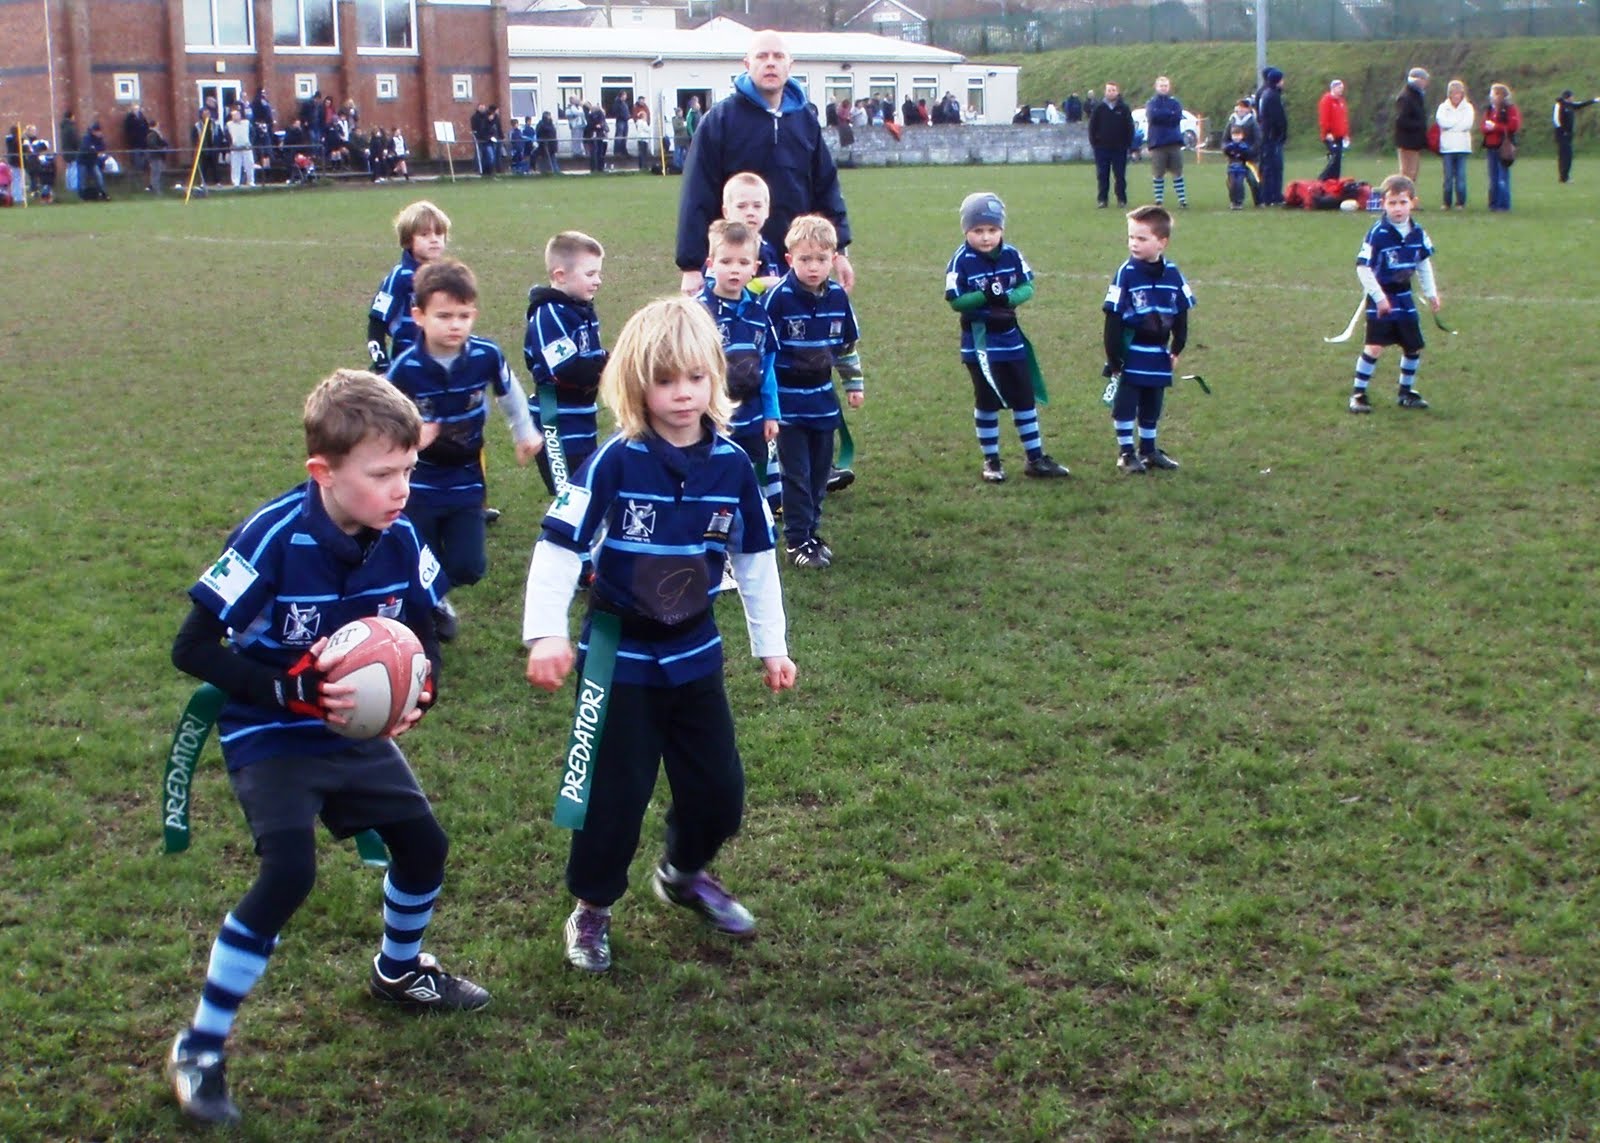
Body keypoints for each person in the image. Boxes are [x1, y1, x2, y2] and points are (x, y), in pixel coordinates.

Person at [164, 369, 489, 1126]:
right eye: (383, 474)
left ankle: (400, 971)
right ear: (325, 472)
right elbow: (192, 647)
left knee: (425, 847)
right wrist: (288, 691)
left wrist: (423, 687)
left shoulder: (404, 535)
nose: (402, 488)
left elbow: (426, 625)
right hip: (271, 727)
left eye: (409, 469)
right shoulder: (272, 535)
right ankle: (201, 1045)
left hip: (352, 729)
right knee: (289, 871)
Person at [523, 296, 797, 975]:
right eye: (666, 380)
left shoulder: (733, 466)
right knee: (612, 794)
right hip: (618, 654)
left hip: (695, 651)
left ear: (715, 381)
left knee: (719, 793)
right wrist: (545, 634)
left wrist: (772, 645)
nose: (683, 394)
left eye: (696, 378)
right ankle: (592, 907)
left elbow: (756, 561)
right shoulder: (615, 461)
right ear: (636, 386)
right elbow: (559, 546)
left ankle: (682, 871)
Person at [385, 259, 541, 640]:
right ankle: (425, 608)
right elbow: (382, 418)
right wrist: (410, 437)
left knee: (470, 566)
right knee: (417, 553)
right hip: (419, 481)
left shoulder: (486, 355)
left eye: (464, 315)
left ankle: (431, 593)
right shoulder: (406, 368)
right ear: (418, 316)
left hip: (468, 477)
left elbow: (510, 394)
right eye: (444, 316)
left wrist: (525, 432)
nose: (455, 325)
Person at [676, 30, 853, 297]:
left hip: (797, 259)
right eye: (762, 56)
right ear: (747, 65)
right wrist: (691, 266)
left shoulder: (805, 120)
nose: (770, 62)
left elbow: (825, 186)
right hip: (736, 262)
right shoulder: (721, 120)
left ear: (789, 66)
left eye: (778, 56)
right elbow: (697, 192)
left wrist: (838, 250)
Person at [945, 192, 1070, 485]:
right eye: (978, 231)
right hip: (980, 346)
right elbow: (955, 300)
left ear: (1001, 229)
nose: (986, 237)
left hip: (1011, 341)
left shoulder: (1012, 254)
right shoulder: (961, 261)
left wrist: (1011, 298)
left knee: (1024, 398)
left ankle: (1035, 458)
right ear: (966, 231)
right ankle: (992, 460)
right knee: (987, 401)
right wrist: (983, 297)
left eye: (992, 230)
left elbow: (1028, 286)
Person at [760, 214, 864, 569]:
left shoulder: (838, 297)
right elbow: (762, 353)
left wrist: (853, 385)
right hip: (788, 403)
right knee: (796, 474)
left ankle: (811, 531)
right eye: (805, 259)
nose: (814, 266)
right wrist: (766, 403)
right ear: (790, 260)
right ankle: (796, 541)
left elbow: (847, 347)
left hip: (823, 401)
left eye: (821, 259)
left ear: (833, 259)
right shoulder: (777, 299)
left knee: (820, 473)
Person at [1102, 205, 1195, 474]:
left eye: (1142, 238)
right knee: (1126, 404)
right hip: (1132, 351)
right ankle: (1126, 452)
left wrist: (1176, 348)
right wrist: (1114, 356)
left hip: (1158, 352)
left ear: (1162, 243)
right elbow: (1113, 317)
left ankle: (1149, 450)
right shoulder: (1126, 273)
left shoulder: (1173, 274)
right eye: (1131, 237)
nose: (1134, 243)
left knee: (1153, 402)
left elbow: (1181, 313)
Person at [696, 220, 780, 502]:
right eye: (726, 261)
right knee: (711, 475)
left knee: (747, 475)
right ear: (711, 264)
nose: (735, 269)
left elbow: (767, 367)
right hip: (710, 417)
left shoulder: (759, 314)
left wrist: (771, 413)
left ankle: (747, 527)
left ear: (755, 268)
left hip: (752, 415)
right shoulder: (697, 312)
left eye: (743, 262)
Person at [1347, 174, 1441, 414]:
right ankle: (1358, 393)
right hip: (1382, 296)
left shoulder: (1418, 233)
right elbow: (1362, 267)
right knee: (1375, 346)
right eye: (1392, 203)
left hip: (1404, 297)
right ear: (1383, 204)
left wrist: (1431, 293)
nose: (1397, 208)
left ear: (1413, 202)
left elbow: (1423, 263)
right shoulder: (1377, 234)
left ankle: (1406, 392)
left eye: (1402, 202)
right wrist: (1379, 297)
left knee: (1413, 346)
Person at [524, 231, 609, 483]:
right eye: (590, 274)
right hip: (556, 418)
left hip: (582, 416)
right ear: (560, 275)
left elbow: (592, 358)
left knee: (586, 486)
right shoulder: (548, 315)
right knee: (568, 496)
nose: (598, 281)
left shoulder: (582, 311)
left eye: (598, 273)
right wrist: (613, 366)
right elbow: (567, 369)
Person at [368, 201, 451, 377]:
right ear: (408, 240)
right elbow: (376, 323)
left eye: (439, 233)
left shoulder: (448, 275)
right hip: (407, 367)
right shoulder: (400, 276)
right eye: (424, 234)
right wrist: (381, 363)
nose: (434, 239)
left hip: (442, 364)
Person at [1144, 77, 1189, 208]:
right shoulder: (1151, 103)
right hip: (1158, 143)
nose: (1163, 88)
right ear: (1156, 87)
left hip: (1174, 142)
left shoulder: (1175, 102)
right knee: (1158, 173)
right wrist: (1168, 114)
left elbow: (1176, 117)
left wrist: (1163, 115)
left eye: (1165, 85)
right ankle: (1159, 200)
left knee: (1177, 172)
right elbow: (1153, 117)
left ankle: (1182, 200)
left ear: (1169, 87)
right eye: (1161, 86)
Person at [1088, 80, 1134, 209]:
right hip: (1102, 148)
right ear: (1105, 91)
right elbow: (1092, 127)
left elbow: (1129, 127)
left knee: (1120, 175)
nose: (1111, 92)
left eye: (1113, 90)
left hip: (1120, 148)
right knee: (1102, 175)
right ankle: (1102, 200)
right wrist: (1095, 143)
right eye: (1109, 90)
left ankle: (1122, 199)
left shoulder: (1123, 108)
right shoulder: (1099, 108)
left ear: (1117, 92)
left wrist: (1128, 144)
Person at [1435, 80, 1475, 210]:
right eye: (1454, 93)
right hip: (1447, 147)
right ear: (1449, 94)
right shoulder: (1443, 107)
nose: (1456, 96)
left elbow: (1467, 124)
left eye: (1459, 93)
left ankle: (1460, 203)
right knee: (1447, 178)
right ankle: (1446, 202)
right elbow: (1442, 122)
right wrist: (1456, 124)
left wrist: (1452, 126)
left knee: (1461, 178)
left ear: (1462, 94)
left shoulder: (1468, 107)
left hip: (1462, 147)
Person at [1483, 83, 1521, 212]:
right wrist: (1487, 128)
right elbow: (1483, 126)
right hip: (1491, 146)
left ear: (1500, 95)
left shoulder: (1510, 109)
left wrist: (1496, 127)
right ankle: (1493, 204)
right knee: (1493, 177)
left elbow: (1514, 126)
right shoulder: (1490, 109)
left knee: (1502, 177)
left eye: (1493, 93)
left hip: (1503, 147)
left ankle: (1504, 204)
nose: (1491, 96)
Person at [1256, 67, 1288, 205]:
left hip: (1269, 136)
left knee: (1270, 167)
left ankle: (1270, 195)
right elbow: (1277, 118)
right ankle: (1271, 196)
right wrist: (1281, 134)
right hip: (1272, 137)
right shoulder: (1272, 96)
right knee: (1273, 167)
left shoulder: (1266, 93)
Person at [1554, 90, 1600, 183]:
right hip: (1562, 135)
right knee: (1565, 156)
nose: (1573, 98)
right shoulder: (1559, 105)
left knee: (1568, 156)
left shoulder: (1571, 105)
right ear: (1568, 97)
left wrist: (1594, 100)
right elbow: (1556, 120)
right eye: (1572, 96)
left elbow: (1581, 104)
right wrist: (1562, 131)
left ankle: (1564, 176)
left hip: (1568, 135)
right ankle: (1564, 177)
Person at [1395, 68, 1430, 182]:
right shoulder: (1406, 97)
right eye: (1424, 80)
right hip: (1407, 142)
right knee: (1407, 173)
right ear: (1417, 80)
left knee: (1413, 173)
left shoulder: (1417, 96)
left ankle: (1409, 196)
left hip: (1414, 142)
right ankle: (1403, 196)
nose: (1426, 83)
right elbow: (1401, 120)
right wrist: (1420, 125)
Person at [1226, 98, 1263, 204]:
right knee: (1233, 180)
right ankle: (1236, 201)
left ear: (1248, 109)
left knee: (1253, 179)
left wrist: (1249, 152)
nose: (1241, 110)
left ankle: (1259, 200)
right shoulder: (1232, 121)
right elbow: (1225, 139)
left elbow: (1258, 140)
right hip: (1235, 159)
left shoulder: (1253, 122)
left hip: (1250, 159)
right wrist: (1228, 149)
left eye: (1244, 107)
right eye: (1239, 107)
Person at [1318, 79, 1350, 181]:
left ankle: (1334, 181)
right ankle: (1322, 179)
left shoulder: (1341, 101)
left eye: (1342, 88)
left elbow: (1344, 119)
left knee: (1338, 159)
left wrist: (1346, 134)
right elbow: (1324, 118)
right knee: (1335, 156)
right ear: (1333, 88)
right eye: (1339, 88)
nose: (1341, 90)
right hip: (1331, 136)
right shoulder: (1327, 100)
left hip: (1340, 136)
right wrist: (1327, 132)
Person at [1223, 124, 1256, 210]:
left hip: (1241, 169)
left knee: (1239, 184)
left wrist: (1240, 155)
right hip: (1231, 169)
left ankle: (1239, 201)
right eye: (1234, 135)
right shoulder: (1229, 146)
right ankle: (1233, 201)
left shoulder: (1244, 146)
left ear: (1242, 136)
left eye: (1238, 135)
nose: (1236, 137)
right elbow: (1226, 152)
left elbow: (1247, 156)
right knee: (1232, 184)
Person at [225, 106, 255, 187]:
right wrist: (230, 144)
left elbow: (253, 133)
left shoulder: (247, 123)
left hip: (247, 147)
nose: (235, 116)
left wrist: (250, 143)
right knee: (235, 166)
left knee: (249, 164)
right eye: (233, 115)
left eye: (237, 114)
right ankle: (236, 182)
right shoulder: (229, 124)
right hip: (235, 148)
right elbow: (227, 135)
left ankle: (251, 181)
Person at [535, 110, 562, 174]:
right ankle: (554, 171)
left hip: (551, 145)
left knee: (552, 158)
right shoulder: (542, 124)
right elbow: (540, 134)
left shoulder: (549, 124)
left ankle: (555, 171)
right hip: (545, 145)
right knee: (549, 159)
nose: (550, 117)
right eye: (549, 116)